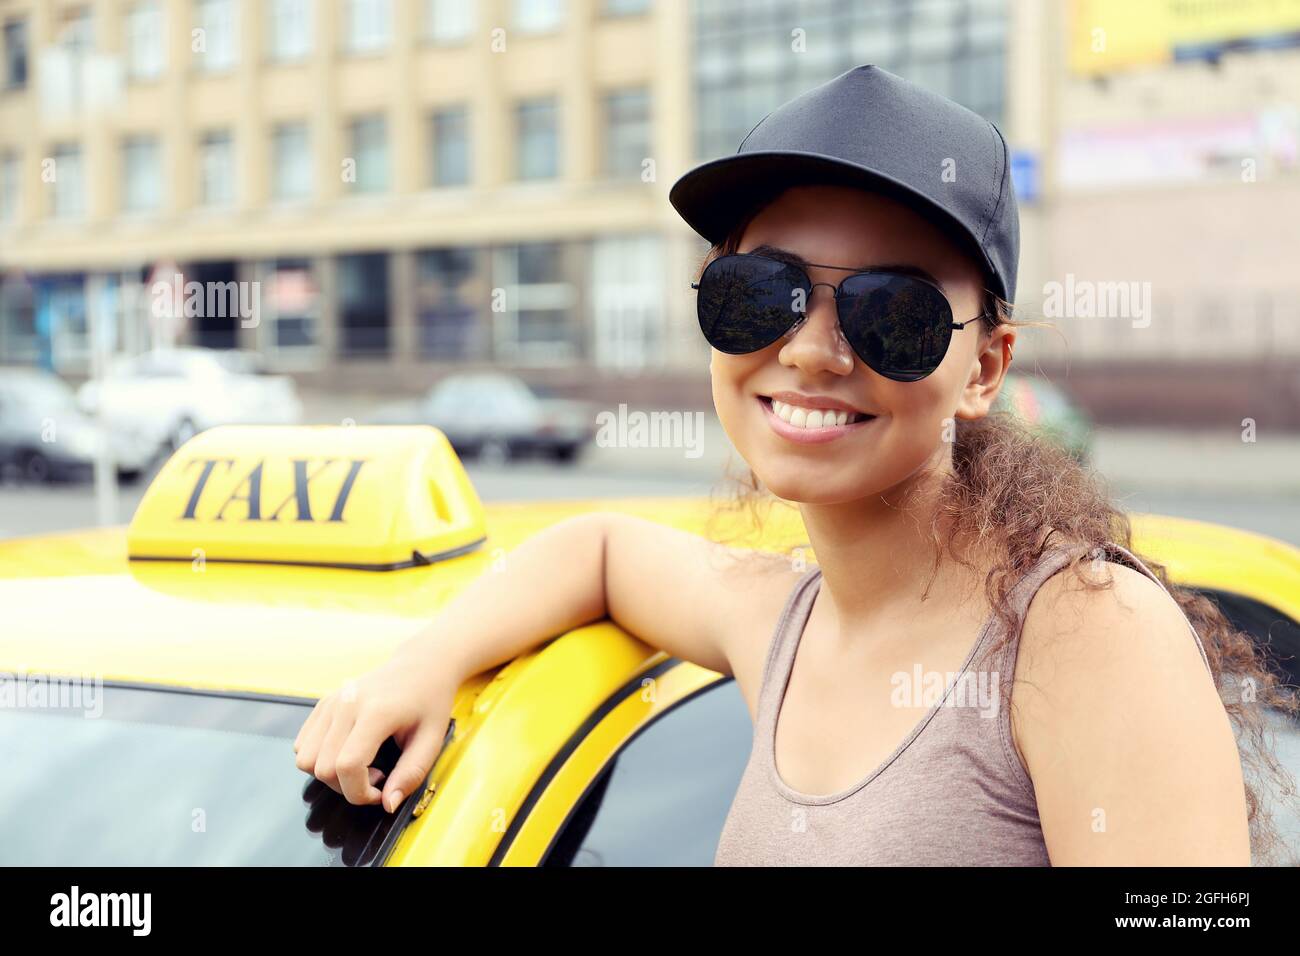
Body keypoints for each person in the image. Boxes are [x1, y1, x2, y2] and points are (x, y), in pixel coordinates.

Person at [294, 65, 1295, 865]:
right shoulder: (783, 622)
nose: (811, 349)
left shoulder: (1081, 629)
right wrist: (418, 666)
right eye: (757, 292)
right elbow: (596, 550)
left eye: (888, 311)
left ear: (984, 367)